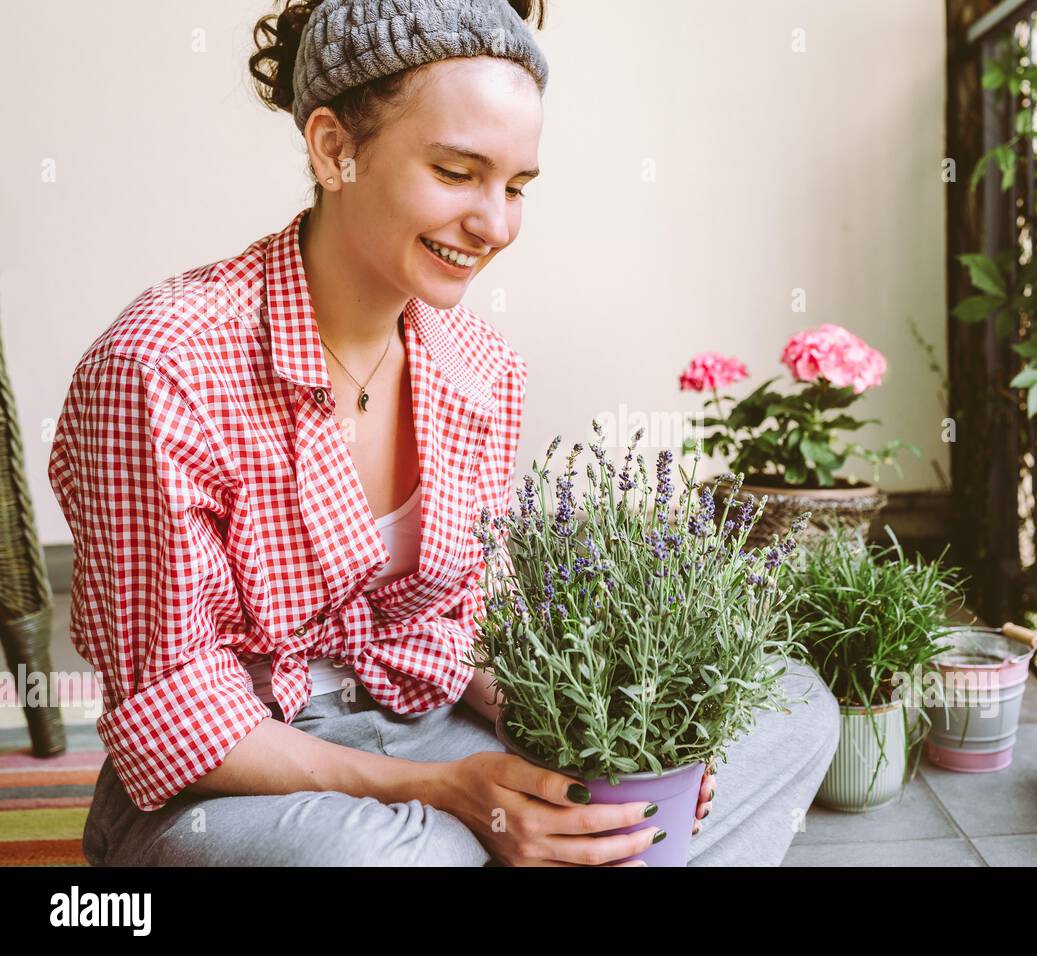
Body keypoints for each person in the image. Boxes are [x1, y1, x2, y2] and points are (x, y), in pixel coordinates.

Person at [51, 0, 841, 866]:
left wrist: (611, 746)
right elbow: (174, 721)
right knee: (399, 859)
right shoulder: (160, 367)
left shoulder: (477, 364)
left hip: (429, 725)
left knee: (791, 706)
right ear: (332, 148)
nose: (495, 226)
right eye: (458, 172)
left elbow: (469, 631)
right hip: (244, 784)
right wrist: (446, 797)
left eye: (516, 187)